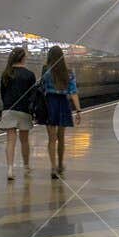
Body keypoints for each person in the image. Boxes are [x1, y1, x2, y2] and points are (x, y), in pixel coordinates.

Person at [0, 46, 40, 180]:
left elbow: (2, 94)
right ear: (23, 58)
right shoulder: (29, 74)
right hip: (24, 110)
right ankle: (26, 166)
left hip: (9, 109)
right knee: (24, 141)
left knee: (10, 141)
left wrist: (7, 107)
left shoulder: (6, 73)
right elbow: (32, 95)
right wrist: (33, 111)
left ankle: (10, 169)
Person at [41, 45, 82, 180]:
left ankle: (53, 167)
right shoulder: (68, 72)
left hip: (49, 103)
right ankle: (60, 164)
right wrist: (78, 110)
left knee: (51, 139)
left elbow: (42, 88)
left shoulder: (45, 71)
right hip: (63, 103)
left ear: (49, 56)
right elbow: (73, 92)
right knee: (61, 138)